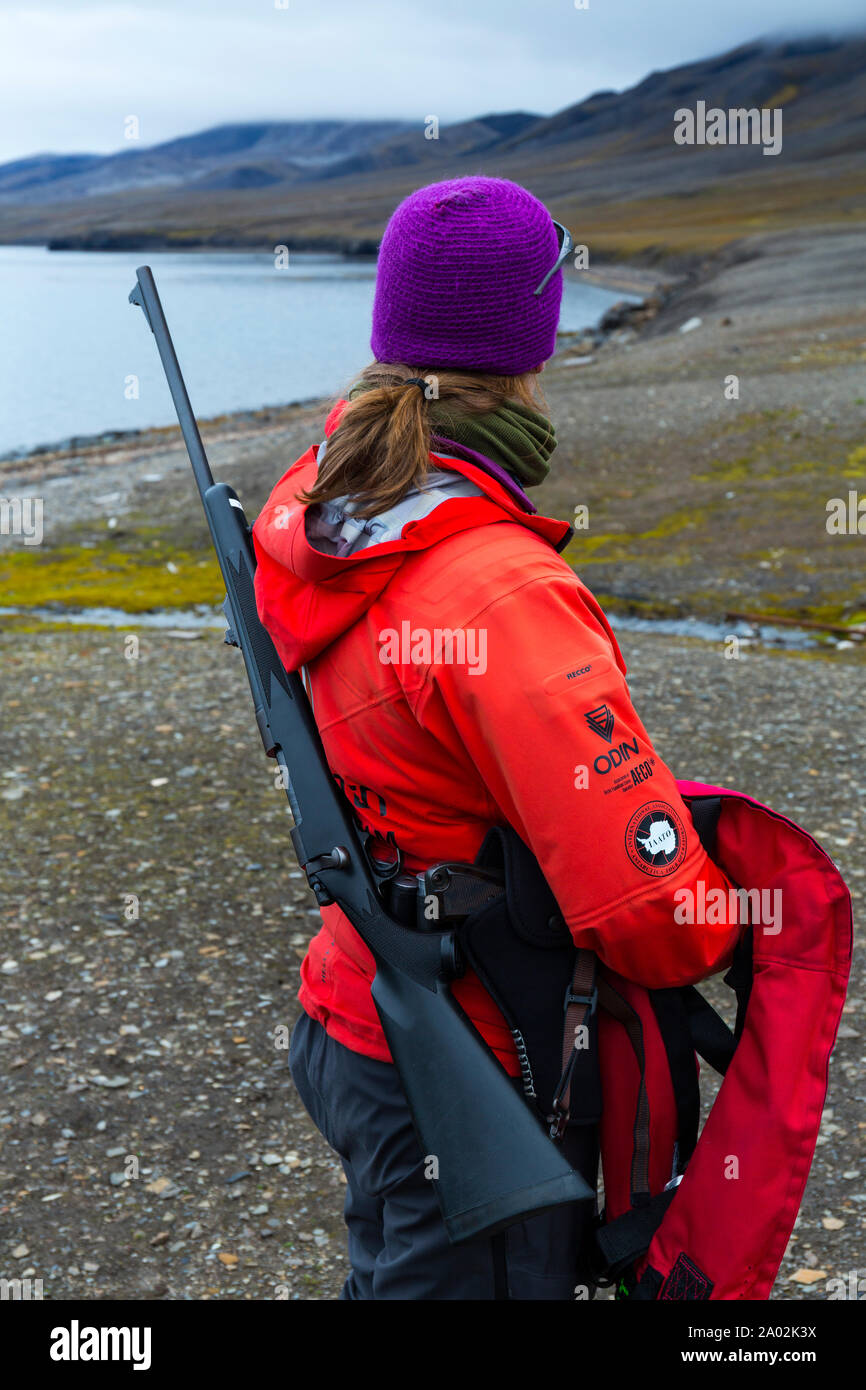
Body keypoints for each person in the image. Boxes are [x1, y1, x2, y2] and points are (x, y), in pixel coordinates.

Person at [252, 176, 740, 1300]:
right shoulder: (496, 589)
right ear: (537, 338)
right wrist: (742, 910)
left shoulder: (318, 506)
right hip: (477, 1061)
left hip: (355, 1011)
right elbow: (653, 915)